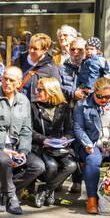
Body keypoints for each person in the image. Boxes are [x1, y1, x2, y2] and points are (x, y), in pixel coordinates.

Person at [0, 66, 45, 215]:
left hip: (15, 146)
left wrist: (23, 150)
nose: (7, 82)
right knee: (4, 161)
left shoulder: (23, 100)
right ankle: (11, 197)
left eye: (11, 80)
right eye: (5, 78)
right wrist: (2, 146)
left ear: (19, 83)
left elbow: (26, 130)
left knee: (38, 166)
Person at [74, 77, 110, 215]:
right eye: (100, 97)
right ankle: (92, 199)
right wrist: (87, 144)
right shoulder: (82, 105)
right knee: (92, 160)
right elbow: (78, 128)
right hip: (93, 143)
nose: (104, 100)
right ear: (94, 92)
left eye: (107, 97)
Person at [29, 77, 79, 209]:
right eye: (37, 89)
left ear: (51, 91)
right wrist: (43, 140)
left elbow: (70, 129)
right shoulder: (33, 107)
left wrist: (65, 139)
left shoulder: (64, 107)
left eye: (41, 90)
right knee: (51, 166)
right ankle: (48, 191)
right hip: (40, 145)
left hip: (58, 147)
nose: (37, 92)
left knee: (71, 165)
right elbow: (29, 130)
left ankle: (45, 190)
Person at [58, 36, 86, 101]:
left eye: (79, 49)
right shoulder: (62, 69)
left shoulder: (91, 68)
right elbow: (58, 88)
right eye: (73, 49)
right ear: (69, 51)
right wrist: (73, 94)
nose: (76, 52)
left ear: (85, 50)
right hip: (67, 106)